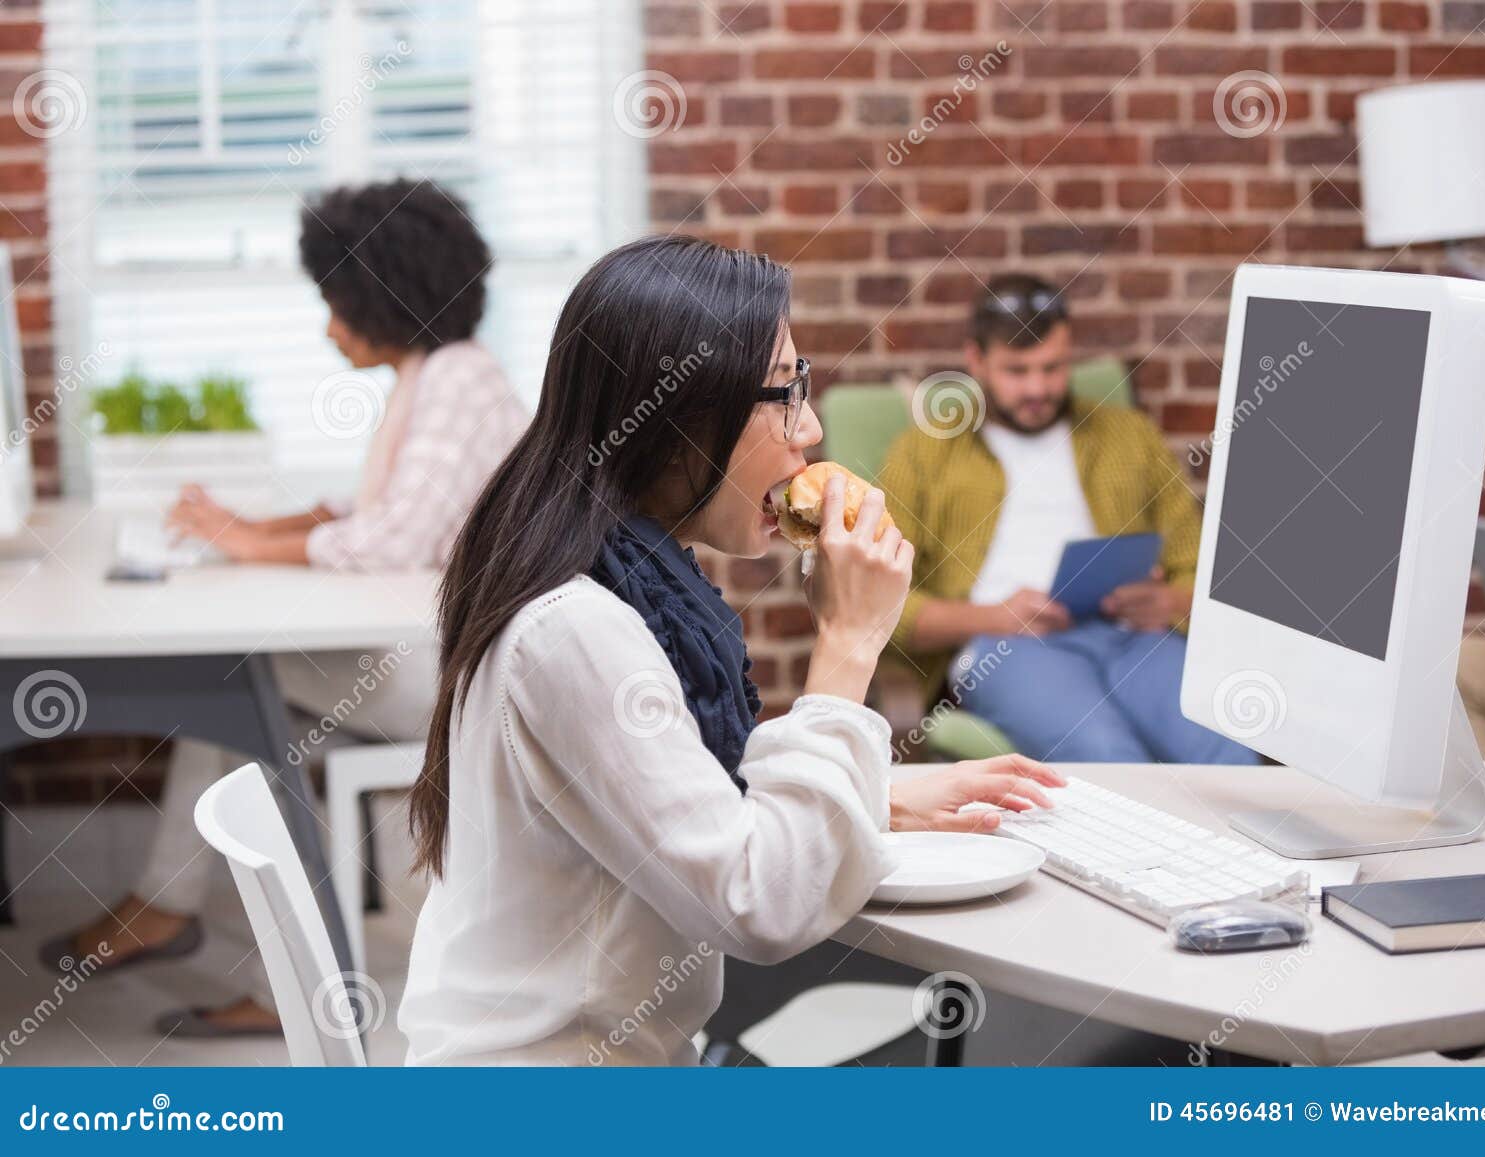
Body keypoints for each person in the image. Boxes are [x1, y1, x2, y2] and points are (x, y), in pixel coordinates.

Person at [397, 234, 1063, 1066]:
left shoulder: (609, 584)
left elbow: (676, 797)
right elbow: (764, 904)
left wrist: (880, 793)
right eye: (784, 393)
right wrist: (850, 640)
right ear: (679, 417)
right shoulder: (576, 630)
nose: (811, 427)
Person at [41, 178, 530, 1038]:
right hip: (435, 652)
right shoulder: (430, 376)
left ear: (384, 297)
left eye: (336, 303)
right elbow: (378, 513)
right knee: (230, 688)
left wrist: (241, 541)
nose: (329, 325)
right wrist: (257, 525)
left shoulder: (457, 378)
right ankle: (200, 929)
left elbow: (393, 539)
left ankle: (206, 935)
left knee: (230, 682)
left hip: (455, 673)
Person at [878, 274, 1254, 766]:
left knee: (1227, 748)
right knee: (1110, 758)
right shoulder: (925, 453)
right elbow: (880, 599)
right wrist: (995, 617)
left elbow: (1200, 570)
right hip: (1006, 647)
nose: (1038, 388)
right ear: (976, 360)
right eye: (1017, 371)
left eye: (1053, 367)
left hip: (1132, 636)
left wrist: (1168, 601)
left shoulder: (1129, 437)